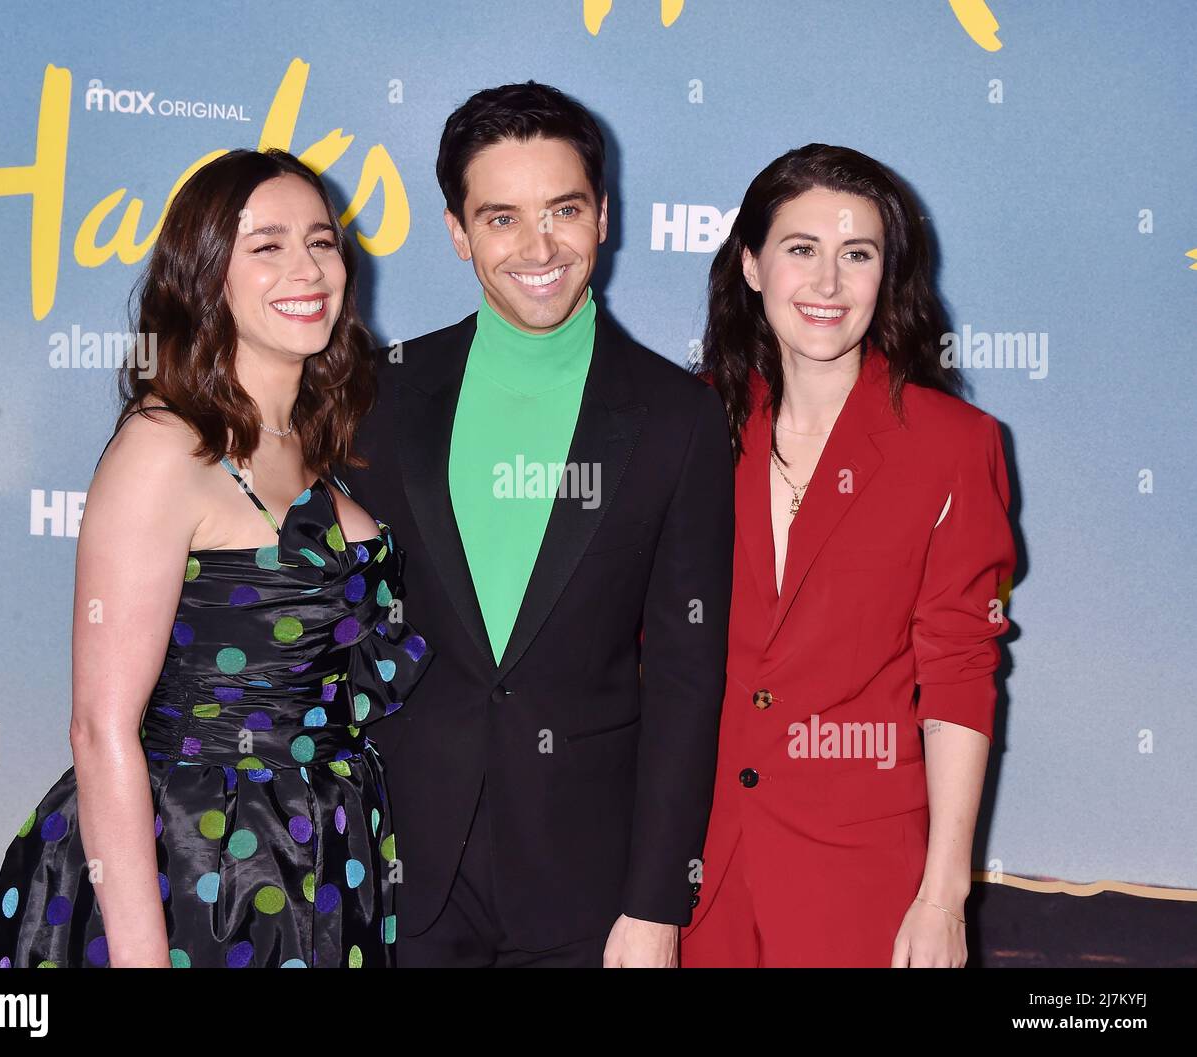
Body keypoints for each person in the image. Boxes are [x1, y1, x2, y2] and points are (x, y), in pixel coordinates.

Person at [0, 148, 431, 968]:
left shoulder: (320, 443)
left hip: (323, 859)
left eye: (322, 241)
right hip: (190, 870)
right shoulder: (165, 448)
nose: (307, 267)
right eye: (267, 246)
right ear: (205, 275)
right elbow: (99, 725)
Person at [339, 81, 734, 967]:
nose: (539, 246)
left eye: (562, 210)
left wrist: (657, 901)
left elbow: (686, 673)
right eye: (502, 218)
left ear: (604, 213)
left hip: (589, 885)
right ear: (457, 232)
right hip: (402, 862)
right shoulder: (380, 393)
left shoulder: (678, 417)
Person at [681, 143, 1017, 968]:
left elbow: (960, 675)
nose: (828, 285)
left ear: (886, 275)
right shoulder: (687, 425)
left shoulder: (953, 445)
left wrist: (943, 897)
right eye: (802, 250)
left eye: (856, 255)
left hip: (863, 875)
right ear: (753, 266)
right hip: (696, 868)